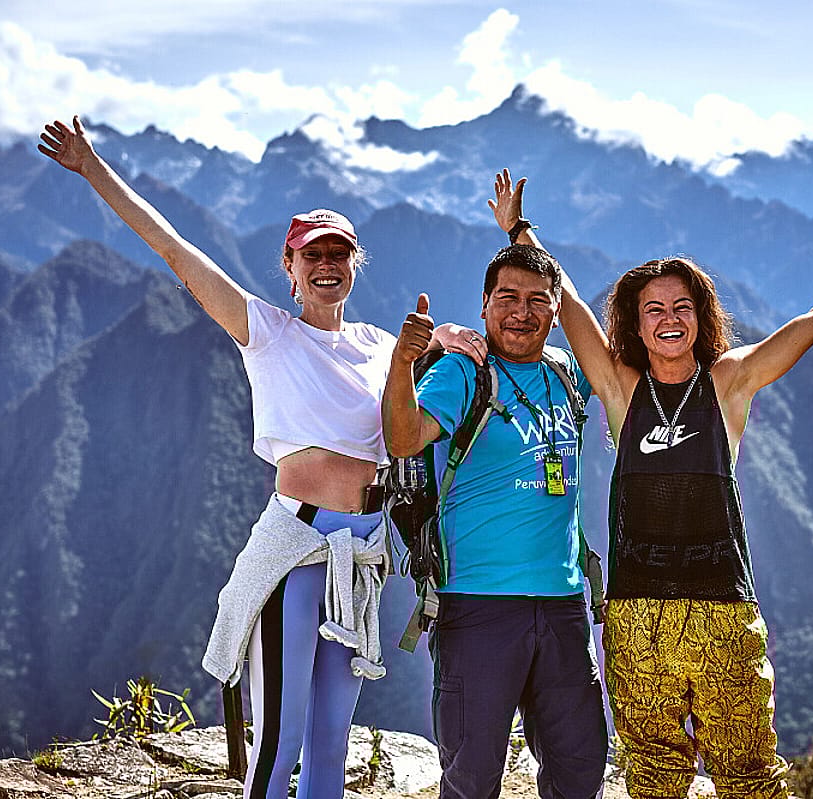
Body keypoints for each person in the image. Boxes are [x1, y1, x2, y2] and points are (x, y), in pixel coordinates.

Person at [38, 116, 486, 799]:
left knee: (333, 740)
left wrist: (447, 333)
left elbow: (413, 375)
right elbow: (173, 249)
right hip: (298, 548)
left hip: (360, 553)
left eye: (339, 254)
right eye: (313, 256)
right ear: (290, 267)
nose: (327, 265)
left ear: (354, 263)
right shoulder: (266, 332)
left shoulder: (375, 343)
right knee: (281, 735)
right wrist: (93, 168)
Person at [489, 169, 813, 799]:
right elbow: (568, 302)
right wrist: (517, 231)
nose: (669, 320)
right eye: (653, 311)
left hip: (724, 606)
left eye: (681, 308)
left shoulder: (730, 382)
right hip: (637, 613)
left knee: (749, 772)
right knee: (653, 775)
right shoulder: (622, 391)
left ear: (701, 317)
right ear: (636, 326)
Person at [382, 248, 609, 797]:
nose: (521, 312)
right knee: (474, 773)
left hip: (563, 602)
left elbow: (597, 337)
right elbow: (404, 437)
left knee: (580, 765)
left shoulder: (568, 371)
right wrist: (402, 364)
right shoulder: (465, 372)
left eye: (538, 300)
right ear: (484, 305)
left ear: (556, 311)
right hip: (477, 605)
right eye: (507, 297)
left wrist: (520, 230)